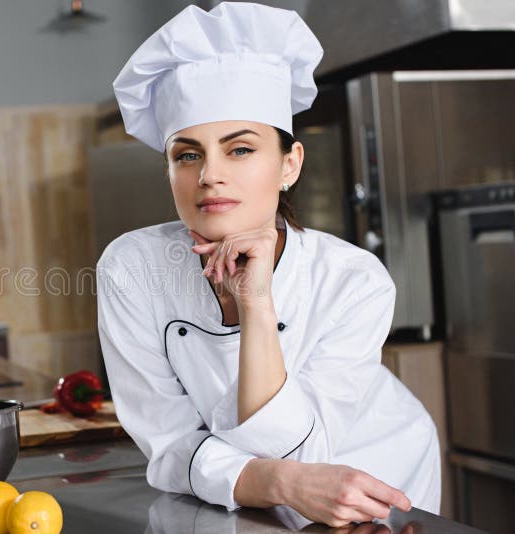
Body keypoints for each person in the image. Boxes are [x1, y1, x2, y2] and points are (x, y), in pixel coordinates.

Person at [96, 2, 441, 528]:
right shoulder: (131, 268)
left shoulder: (354, 280)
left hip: (372, 479)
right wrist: (280, 482)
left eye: (239, 150)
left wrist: (256, 302)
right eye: (187, 155)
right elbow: (168, 446)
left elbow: (300, 453)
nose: (209, 175)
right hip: (248, 499)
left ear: (289, 165)